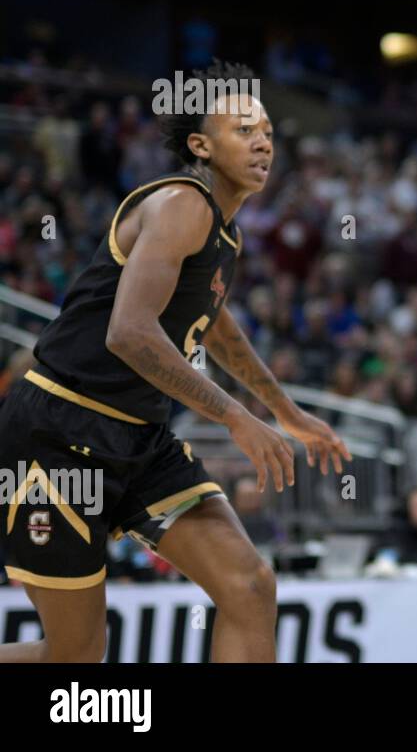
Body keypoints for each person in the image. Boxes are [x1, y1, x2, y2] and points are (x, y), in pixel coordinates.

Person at [0, 62, 350, 663]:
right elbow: (130, 334)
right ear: (200, 145)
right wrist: (238, 419)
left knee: (249, 588)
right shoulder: (179, 204)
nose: (264, 140)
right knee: (76, 660)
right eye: (244, 129)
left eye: (267, 129)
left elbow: (213, 325)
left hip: (140, 438)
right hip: (59, 434)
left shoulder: (223, 233)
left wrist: (285, 411)